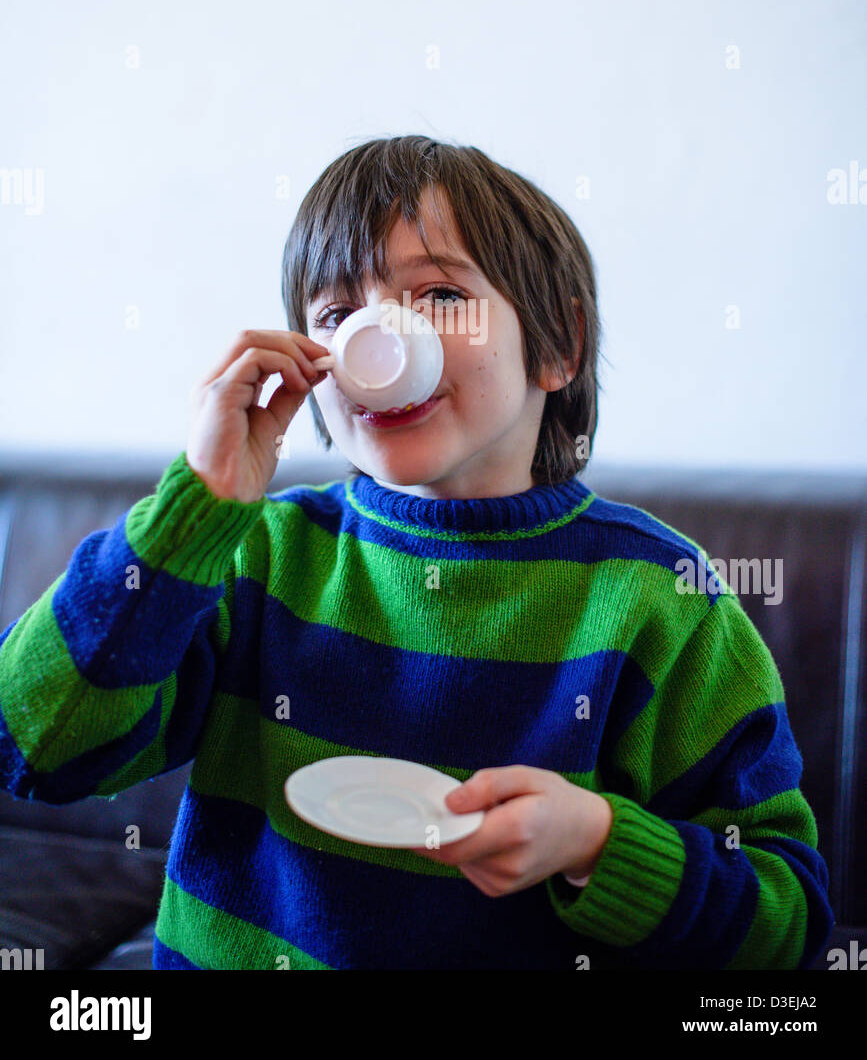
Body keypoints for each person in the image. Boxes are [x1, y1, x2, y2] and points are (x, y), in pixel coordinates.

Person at [0, 135, 834, 969]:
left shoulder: (658, 596)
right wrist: (196, 508)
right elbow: (31, 744)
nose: (377, 339)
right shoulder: (257, 555)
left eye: (437, 292)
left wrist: (597, 845)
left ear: (556, 345)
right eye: (335, 316)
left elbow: (787, 925)